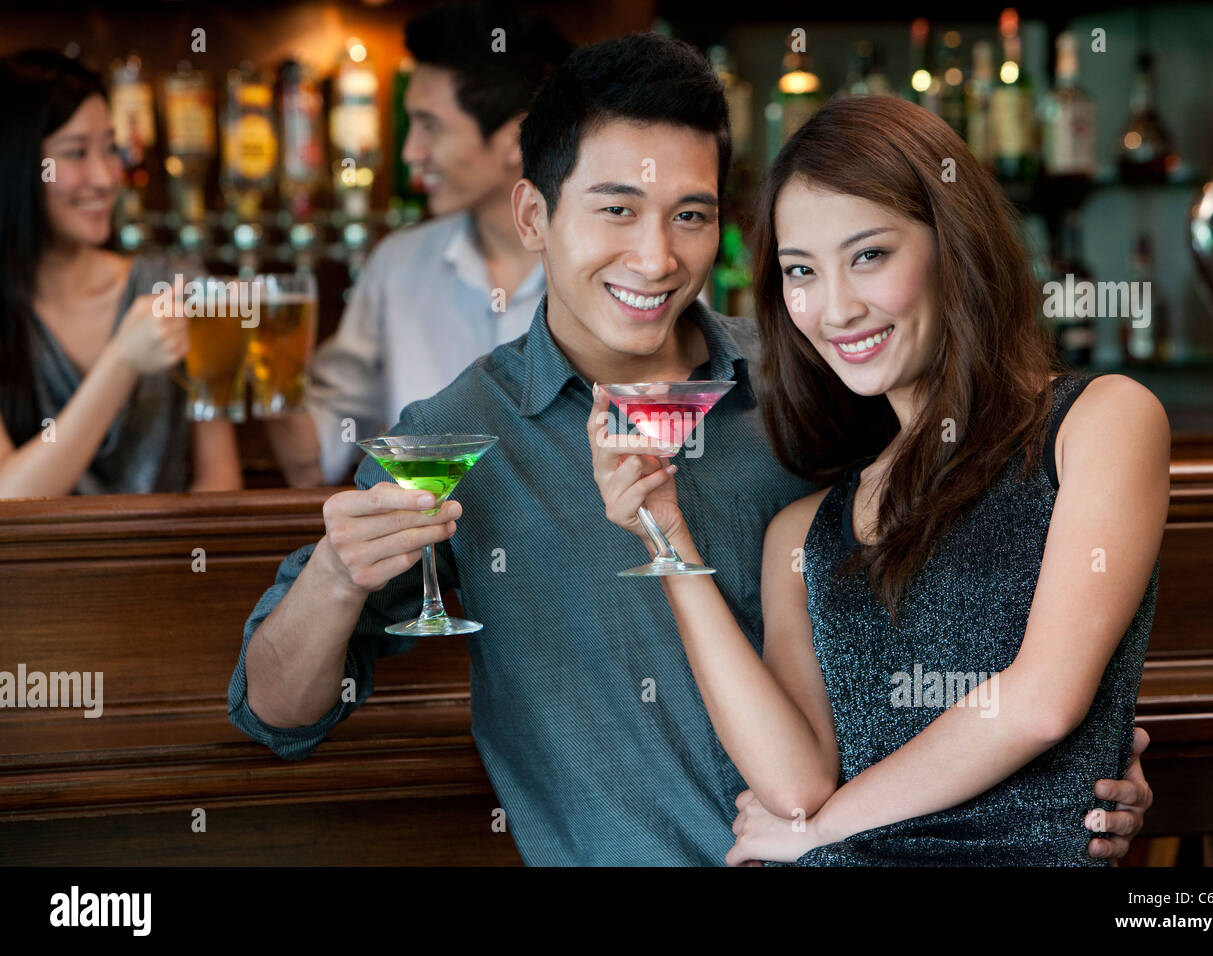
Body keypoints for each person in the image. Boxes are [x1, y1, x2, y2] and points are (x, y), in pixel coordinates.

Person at [228, 33, 1152, 866]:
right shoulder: (458, 433)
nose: (657, 257)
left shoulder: (820, 371)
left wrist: (1070, 772)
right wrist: (336, 580)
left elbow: (980, 581)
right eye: (617, 210)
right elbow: (275, 712)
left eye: (692, 215)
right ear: (533, 216)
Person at [589, 93, 1167, 865]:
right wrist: (664, 531)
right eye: (802, 270)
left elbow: (1040, 705)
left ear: (951, 242)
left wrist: (824, 830)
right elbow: (794, 787)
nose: (836, 308)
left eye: (869, 255)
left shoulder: (1103, 421)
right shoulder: (803, 532)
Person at [267, 0, 571, 486]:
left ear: (519, 135)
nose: (411, 153)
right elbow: (317, 456)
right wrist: (265, 373)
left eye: (430, 126)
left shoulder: (617, 271)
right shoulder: (398, 266)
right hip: (430, 553)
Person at [0, 50, 241, 498]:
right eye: (76, 153)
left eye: (111, 148)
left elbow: (220, 481)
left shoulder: (177, 284)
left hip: (169, 564)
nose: (107, 177)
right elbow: (7, 501)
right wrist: (123, 362)